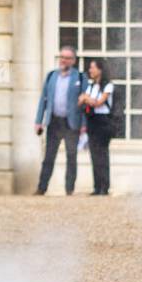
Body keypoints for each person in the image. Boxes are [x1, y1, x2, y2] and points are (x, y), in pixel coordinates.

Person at [33, 45, 85, 195]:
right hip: (54, 122)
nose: (64, 60)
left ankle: (69, 189)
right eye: (62, 57)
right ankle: (41, 188)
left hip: (72, 123)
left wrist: (83, 125)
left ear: (73, 60)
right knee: (49, 157)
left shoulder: (80, 78)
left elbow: (84, 106)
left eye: (67, 58)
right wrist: (38, 121)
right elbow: (43, 100)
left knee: (71, 157)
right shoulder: (51, 76)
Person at [78, 59, 114, 195]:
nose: (90, 70)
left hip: (103, 121)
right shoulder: (91, 85)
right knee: (94, 154)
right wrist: (88, 100)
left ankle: (105, 186)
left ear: (100, 70)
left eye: (93, 68)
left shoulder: (108, 86)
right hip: (92, 120)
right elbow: (82, 100)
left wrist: (87, 99)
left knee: (102, 154)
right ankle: (97, 186)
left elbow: (98, 102)